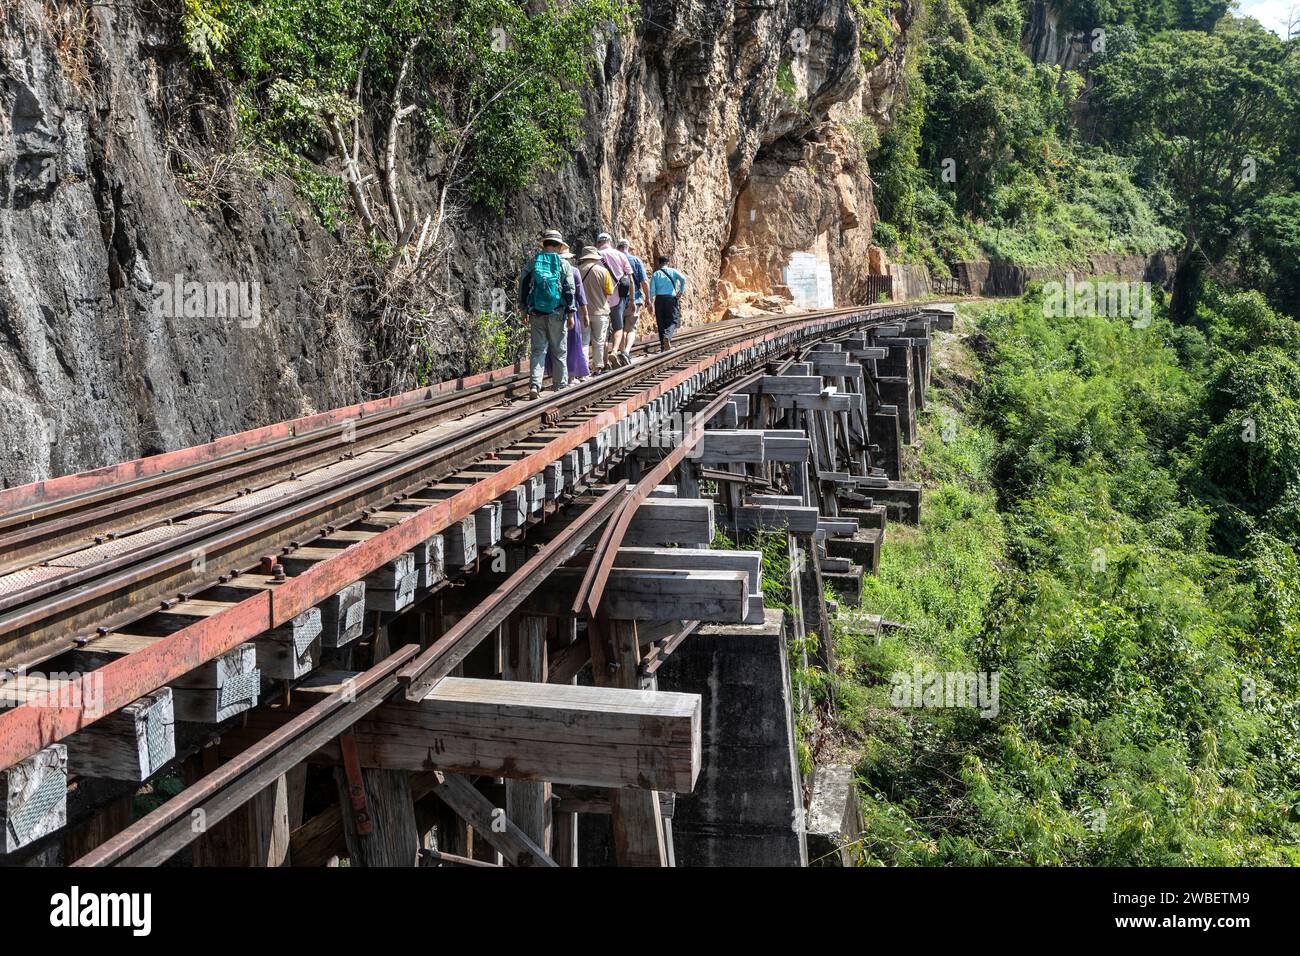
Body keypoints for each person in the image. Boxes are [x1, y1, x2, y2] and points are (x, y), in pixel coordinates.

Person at [518, 229, 576, 399]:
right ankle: (560, 386)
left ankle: (535, 385)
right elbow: (569, 289)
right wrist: (571, 313)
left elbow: (523, 282)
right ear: (559, 246)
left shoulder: (534, 261)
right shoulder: (563, 264)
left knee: (538, 350)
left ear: (544, 244)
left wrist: (523, 308)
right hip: (557, 312)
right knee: (559, 351)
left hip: (536, 312)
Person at [595, 232, 633, 367]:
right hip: (618, 298)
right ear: (610, 242)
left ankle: (604, 361)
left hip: (600, 299)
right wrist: (632, 299)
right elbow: (630, 278)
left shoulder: (594, 256)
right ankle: (615, 351)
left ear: (598, 243)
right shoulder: (621, 255)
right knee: (618, 327)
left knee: (603, 331)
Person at [576, 245, 615, 372]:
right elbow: (610, 291)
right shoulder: (603, 271)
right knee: (598, 340)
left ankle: (584, 368)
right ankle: (597, 366)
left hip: (582, 312)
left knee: (584, 341)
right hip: (600, 311)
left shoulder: (577, 270)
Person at [617, 238, 650, 364]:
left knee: (619, 328)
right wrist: (647, 298)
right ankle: (626, 352)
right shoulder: (635, 260)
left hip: (617, 300)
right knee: (630, 328)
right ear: (628, 247)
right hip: (634, 299)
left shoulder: (614, 259)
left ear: (617, 247)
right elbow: (644, 281)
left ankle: (621, 353)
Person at [649, 254, 687, 350]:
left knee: (661, 321)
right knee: (673, 320)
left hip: (659, 299)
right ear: (667, 263)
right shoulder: (673, 271)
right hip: (670, 299)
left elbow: (652, 290)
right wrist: (681, 291)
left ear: (659, 263)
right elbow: (683, 279)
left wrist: (650, 302)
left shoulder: (655, 274)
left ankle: (663, 345)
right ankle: (667, 336)